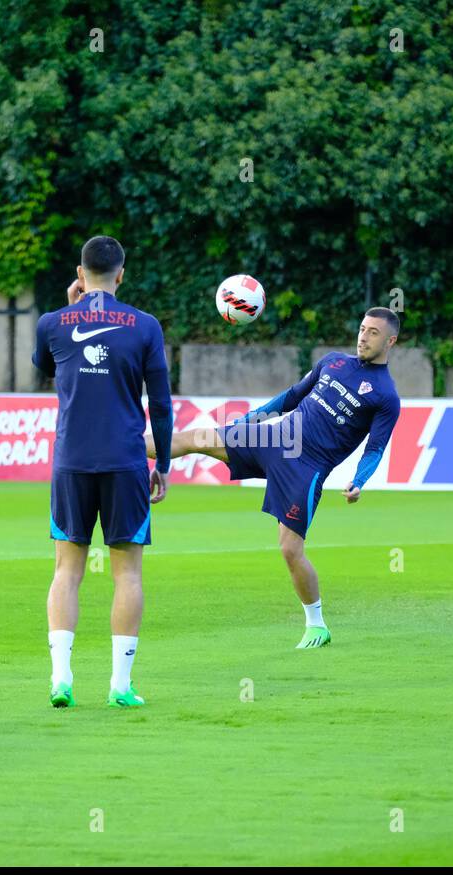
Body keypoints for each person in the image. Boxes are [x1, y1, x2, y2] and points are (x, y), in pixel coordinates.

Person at [148, 307, 402, 649]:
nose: (363, 336)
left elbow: (375, 447)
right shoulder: (333, 361)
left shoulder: (386, 396)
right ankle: (121, 448)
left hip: (307, 468)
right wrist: (252, 418)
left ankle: (317, 625)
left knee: (289, 550)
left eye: (373, 332)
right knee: (197, 438)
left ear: (390, 341)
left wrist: (360, 479)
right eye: (362, 328)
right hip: (274, 438)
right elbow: (292, 396)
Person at [32, 236, 173, 708]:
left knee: (66, 571)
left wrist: (67, 309)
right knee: (127, 574)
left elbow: (42, 367)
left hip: (71, 461)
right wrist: (165, 464)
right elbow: (161, 404)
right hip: (125, 461)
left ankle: (61, 679)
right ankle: (119, 685)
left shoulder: (52, 323)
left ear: (79, 273)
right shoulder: (145, 326)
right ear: (122, 274)